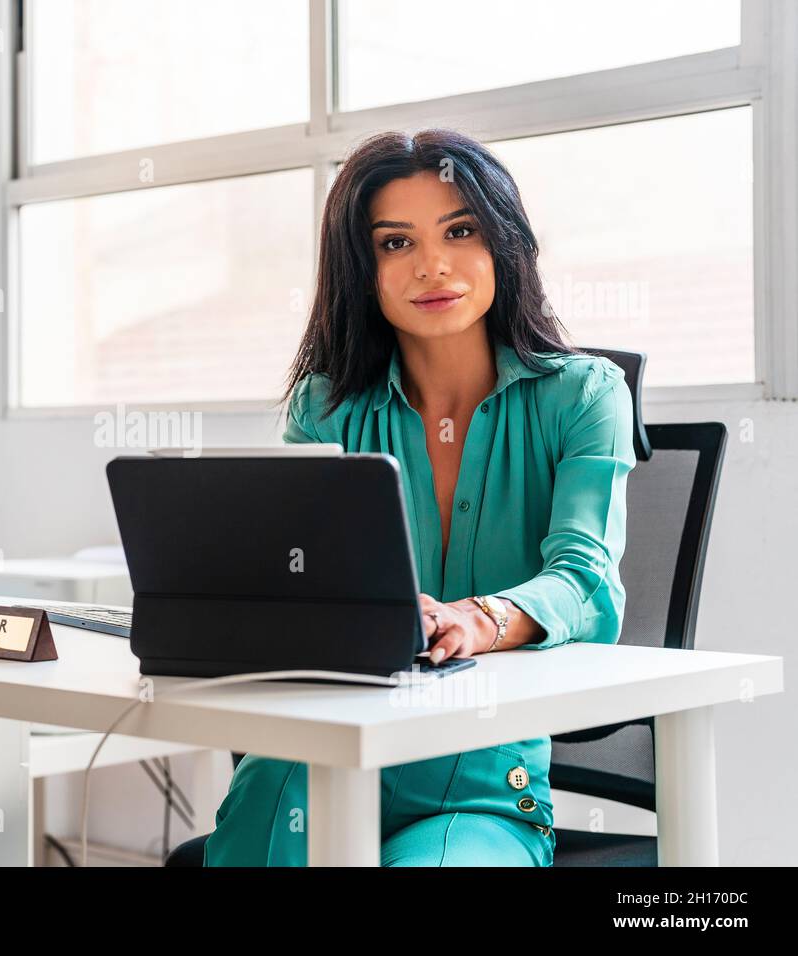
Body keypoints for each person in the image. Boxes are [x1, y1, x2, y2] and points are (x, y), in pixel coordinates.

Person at [204, 128, 635, 866]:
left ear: (504, 243)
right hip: (319, 754)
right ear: (361, 268)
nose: (433, 265)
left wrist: (482, 617)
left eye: (460, 231)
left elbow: (587, 585)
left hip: (478, 779)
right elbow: (303, 580)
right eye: (395, 243)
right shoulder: (325, 409)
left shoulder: (584, 396)